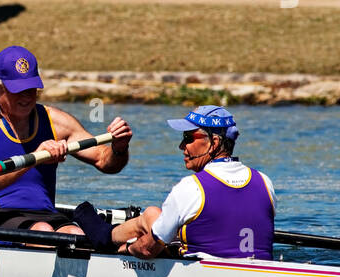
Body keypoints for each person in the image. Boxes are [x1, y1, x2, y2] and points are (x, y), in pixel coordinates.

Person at [0, 46, 132, 236]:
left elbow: (105, 161)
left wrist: (119, 149)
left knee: (76, 233)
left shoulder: (55, 122)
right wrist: (35, 158)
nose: (26, 96)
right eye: (18, 89)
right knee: (43, 231)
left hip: (45, 215)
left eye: (31, 88)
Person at [111, 106, 275, 259]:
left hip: (203, 276)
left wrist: (126, 250)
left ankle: (103, 239)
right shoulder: (264, 181)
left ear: (214, 143)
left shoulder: (190, 187)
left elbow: (147, 249)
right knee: (152, 215)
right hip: (258, 272)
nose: (181, 146)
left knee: (150, 215)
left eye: (188, 137)